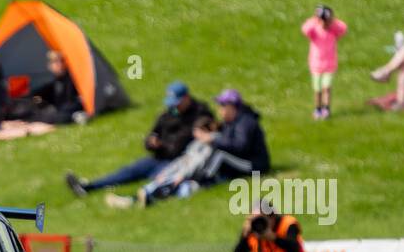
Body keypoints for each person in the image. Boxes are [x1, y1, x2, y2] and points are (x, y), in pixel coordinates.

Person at [65, 82, 213, 196]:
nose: (175, 107)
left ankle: (135, 199)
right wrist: (151, 143)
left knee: (159, 182)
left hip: (179, 161)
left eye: (177, 103)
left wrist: (163, 145)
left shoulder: (201, 115)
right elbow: (153, 133)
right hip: (158, 156)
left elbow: (184, 143)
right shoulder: (169, 113)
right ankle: (89, 187)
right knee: (128, 172)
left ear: (186, 98)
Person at [103, 117, 219, 209]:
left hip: (191, 180)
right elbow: (181, 161)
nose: (195, 135)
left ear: (206, 132)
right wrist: (166, 172)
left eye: (198, 132)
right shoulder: (195, 145)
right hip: (180, 175)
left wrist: (181, 176)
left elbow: (196, 165)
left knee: (173, 187)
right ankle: (134, 199)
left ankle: (135, 200)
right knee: (161, 181)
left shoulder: (209, 148)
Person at [191, 89, 270, 185]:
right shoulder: (230, 121)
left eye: (222, 105)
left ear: (231, 107)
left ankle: (201, 182)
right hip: (241, 160)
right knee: (213, 150)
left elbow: (240, 146)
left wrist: (213, 139)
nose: (219, 109)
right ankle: (195, 177)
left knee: (220, 155)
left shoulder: (245, 122)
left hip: (254, 165)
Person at [233, 201, 317, 252]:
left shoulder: (287, 224)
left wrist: (273, 238)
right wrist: (244, 235)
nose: (259, 224)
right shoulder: (252, 232)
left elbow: (294, 247)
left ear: (272, 217)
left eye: (262, 219)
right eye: (255, 220)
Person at [6, 50, 85, 125]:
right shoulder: (57, 81)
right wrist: (27, 97)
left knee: (45, 116)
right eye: (52, 62)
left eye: (58, 61)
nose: (55, 65)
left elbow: (72, 102)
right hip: (56, 111)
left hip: (64, 112)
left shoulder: (70, 80)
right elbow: (40, 92)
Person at [302, 5, 347, 120]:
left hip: (330, 65)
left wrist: (333, 21)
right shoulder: (314, 31)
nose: (325, 24)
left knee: (326, 87)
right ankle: (317, 108)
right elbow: (305, 29)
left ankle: (326, 108)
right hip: (316, 65)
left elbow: (343, 28)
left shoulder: (333, 30)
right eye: (322, 20)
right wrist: (314, 20)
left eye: (327, 21)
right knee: (317, 89)